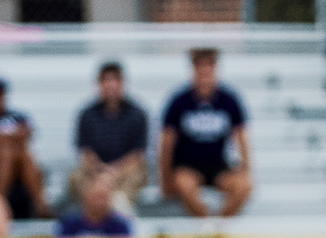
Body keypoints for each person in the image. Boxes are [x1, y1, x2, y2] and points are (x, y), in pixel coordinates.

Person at [159, 48, 252, 219]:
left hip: (218, 165)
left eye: (208, 67)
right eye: (200, 68)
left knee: (244, 185)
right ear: (193, 70)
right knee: (183, 184)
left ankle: (219, 224)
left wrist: (246, 168)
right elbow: (166, 142)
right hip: (188, 167)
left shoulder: (228, 100)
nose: (204, 73)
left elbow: (241, 137)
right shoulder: (179, 101)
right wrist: (165, 179)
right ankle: (205, 222)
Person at [0, 78, 52, 238]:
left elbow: (28, 134)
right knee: (11, 152)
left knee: (24, 155)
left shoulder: (17, 115)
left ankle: (40, 206)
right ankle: (41, 206)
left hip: (18, 189)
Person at [69, 61, 149, 213]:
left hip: (126, 171)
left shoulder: (137, 114)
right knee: (76, 179)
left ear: (122, 83)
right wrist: (101, 172)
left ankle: (118, 211)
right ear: (99, 84)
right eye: (106, 80)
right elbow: (86, 151)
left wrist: (112, 173)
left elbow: (137, 155)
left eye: (114, 80)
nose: (110, 85)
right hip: (95, 170)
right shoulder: (87, 114)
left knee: (130, 183)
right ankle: (92, 210)